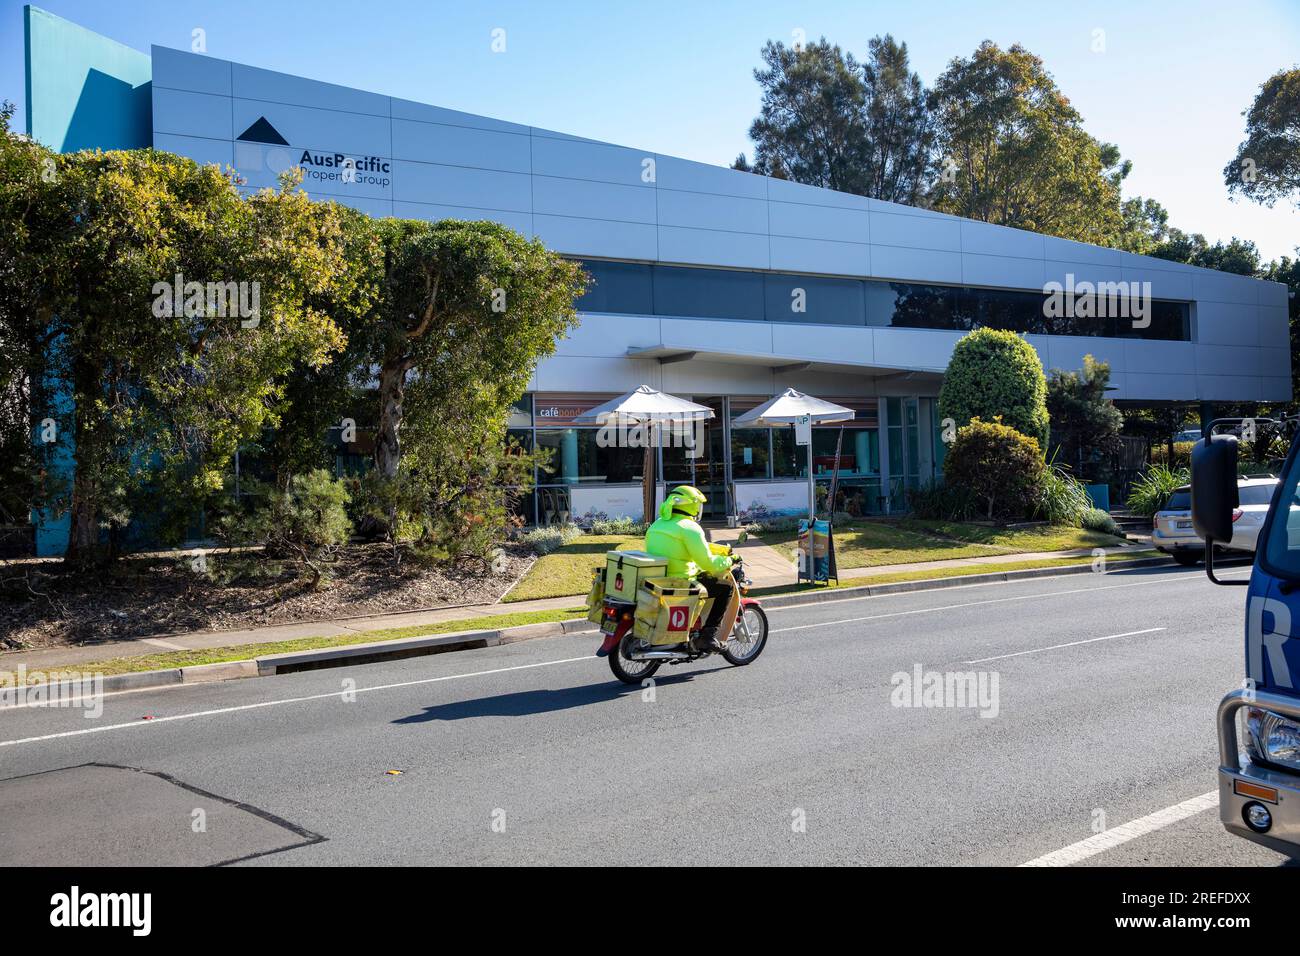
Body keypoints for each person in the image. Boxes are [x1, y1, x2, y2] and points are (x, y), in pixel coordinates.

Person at [644, 485, 734, 651]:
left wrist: (720, 550)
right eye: (698, 504)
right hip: (681, 581)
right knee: (725, 588)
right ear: (691, 505)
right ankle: (708, 637)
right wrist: (729, 560)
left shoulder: (658, 524)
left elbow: (682, 547)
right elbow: (709, 564)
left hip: (658, 579)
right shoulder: (690, 528)